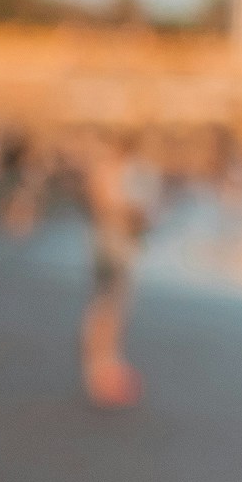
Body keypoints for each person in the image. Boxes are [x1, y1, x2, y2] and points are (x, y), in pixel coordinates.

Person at [77, 135, 156, 408]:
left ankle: (106, 363)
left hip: (116, 243)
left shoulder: (115, 170)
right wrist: (135, 213)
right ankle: (101, 368)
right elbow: (105, 206)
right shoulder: (106, 170)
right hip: (110, 244)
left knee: (115, 303)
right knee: (108, 304)